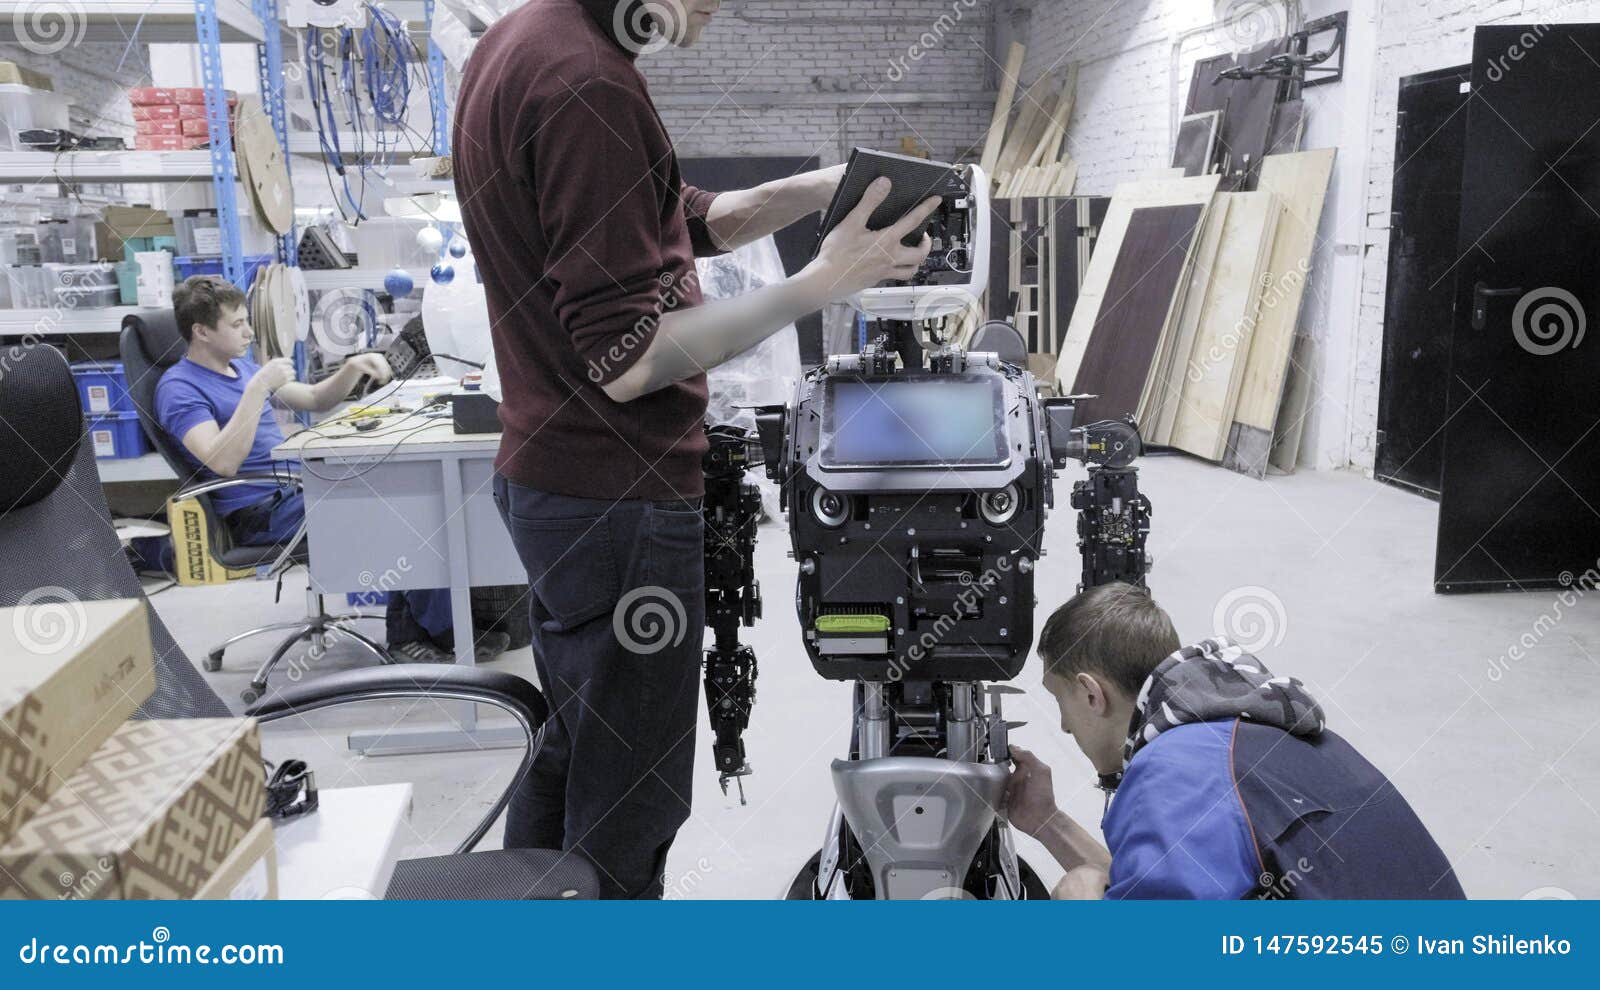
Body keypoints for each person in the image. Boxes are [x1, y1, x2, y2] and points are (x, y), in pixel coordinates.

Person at [453, 0, 941, 898]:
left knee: (572, 758)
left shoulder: (525, 40)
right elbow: (627, 358)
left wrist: (802, 192)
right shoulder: (586, 79)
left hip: (558, 481)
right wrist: (823, 281)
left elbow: (656, 218)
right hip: (617, 499)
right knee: (627, 806)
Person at [1004, 582, 1465, 900]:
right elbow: (1155, 891)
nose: (1064, 726)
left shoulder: (1175, 773)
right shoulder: (1232, 734)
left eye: (1060, 701)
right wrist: (1046, 822)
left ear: (1090, 693)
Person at [153, 275, 507, 664]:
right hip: (259, 513)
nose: (249, 332)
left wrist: (353, 367)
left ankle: (419, 631)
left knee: (403, 492)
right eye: (236, 325)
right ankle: (436, 632)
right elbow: (221, 461)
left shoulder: (238, 369)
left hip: (292, 491)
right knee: (405, 512)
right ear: (201, 331)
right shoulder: (179, 388)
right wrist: (258, 389)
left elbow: (314, 399)